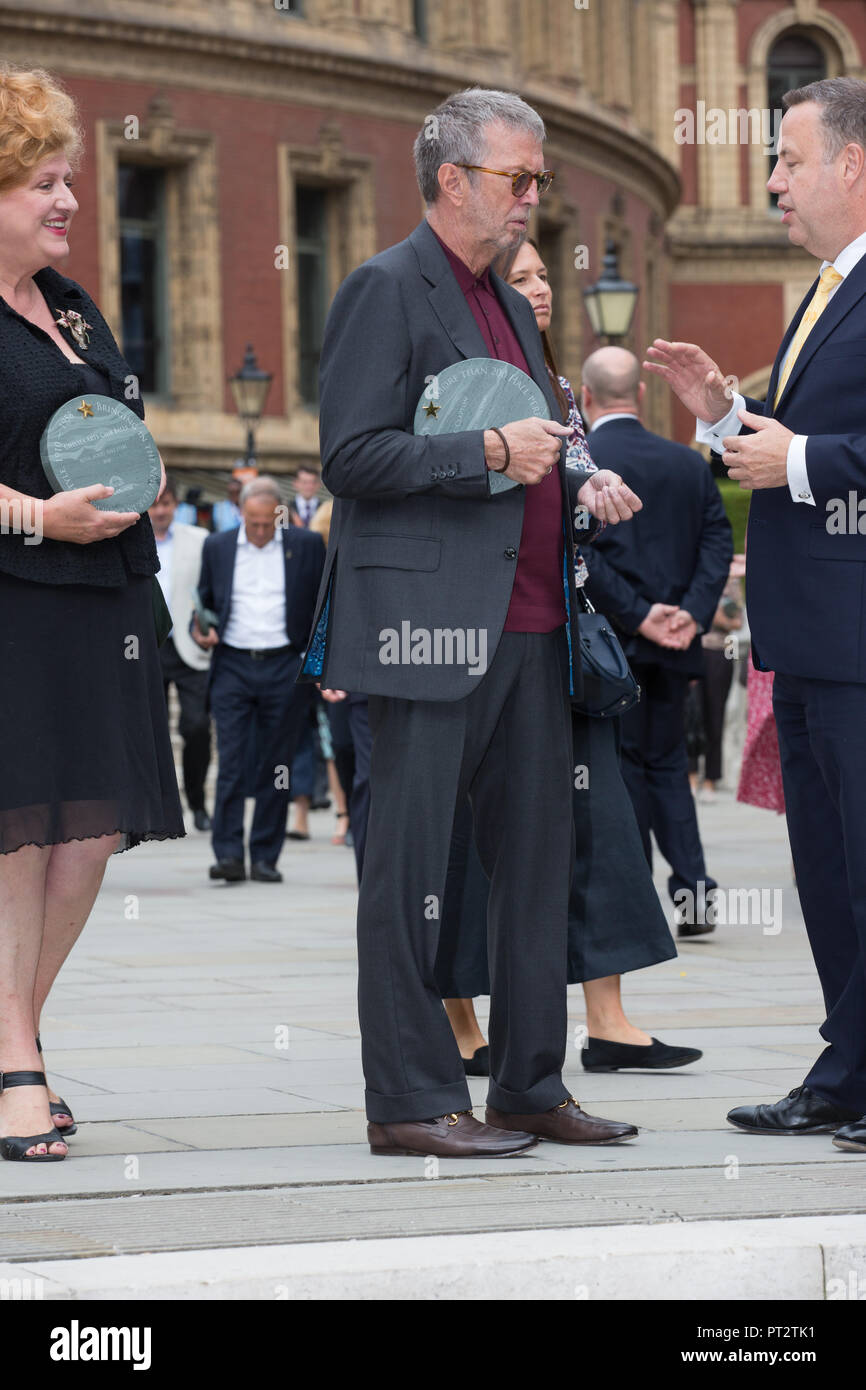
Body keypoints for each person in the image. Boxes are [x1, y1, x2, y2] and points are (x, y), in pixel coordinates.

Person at [304, 87, 642, 1159]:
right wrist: (489, 457)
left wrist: (576, 481)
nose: (532, 199)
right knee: (407, 870)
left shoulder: (507, 300)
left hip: (534, 626)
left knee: (538, 861)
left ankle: (527, 1083)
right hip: (427, 626)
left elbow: (544, 442)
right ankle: (406, 1098)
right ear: (453, 180)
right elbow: (351, 456)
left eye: (538, 179)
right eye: (518, 178)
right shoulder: (386, 288)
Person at [646, 76, 866, 1153]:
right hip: (813, 640)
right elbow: (780, 447)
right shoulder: (826, 288)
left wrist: (805, 457)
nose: (770, 180)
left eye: (786, 159)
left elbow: (813, 458)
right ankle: (847, 1072)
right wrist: (725, 414)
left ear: (851, 164)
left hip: (857, 640)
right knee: (827, 871)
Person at [437, 237, 700, 1076]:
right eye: (522, 277)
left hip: (563, 639)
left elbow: (575, 515)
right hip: (475, 636)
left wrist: (595, 500)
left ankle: (610, 1021)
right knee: (470, 830)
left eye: (546, 273)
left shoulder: (556, 388)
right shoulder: (468, 378)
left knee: (601, 820)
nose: (541, 288)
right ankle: (460, 1023)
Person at [0, 63, 184, 1163]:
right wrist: (33, 518)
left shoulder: (70, 306)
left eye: (68, 181)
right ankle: (18, 1056)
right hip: (16, 590)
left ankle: (11, 1033)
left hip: (106, 590)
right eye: (42, 184)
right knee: (22, 832)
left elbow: (114, 425)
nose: (69, 200)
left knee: (92, 830)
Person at [580, 347, 733, 937]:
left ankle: (634, 898)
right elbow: (717, 540)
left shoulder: (584, 462)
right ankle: (694, 893)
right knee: (668, 764)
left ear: (587, 398)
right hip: (674, 645)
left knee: (621, 768)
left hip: (609, 644)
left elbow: (581, 553)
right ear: (640, 396)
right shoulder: (687, 463)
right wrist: (690, 614)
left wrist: (641, 615)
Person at [193, 476, 324, 883]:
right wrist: (200, 628)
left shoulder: (305, 547)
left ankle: (265, 855)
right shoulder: (217, 547)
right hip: (232, 663)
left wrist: (316, 663)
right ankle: (228, 855)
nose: (261, 531)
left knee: (277, 763)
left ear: (279, 517)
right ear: (241, 515)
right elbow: (205, 602)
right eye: (254, 523)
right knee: (231, 762)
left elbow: (324, 604)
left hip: (284, 664)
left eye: (269, 523)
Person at [148, 476, 213, 831]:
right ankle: (155, 809)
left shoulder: (199, 540)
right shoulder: (130, 538)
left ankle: (198, 802)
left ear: (175, 506)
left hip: (189, 646)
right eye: (155, 504)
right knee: (149, 731)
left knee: (198, 725)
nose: (160, 511)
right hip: (145, 647)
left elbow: (210, 589)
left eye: (166, 504)